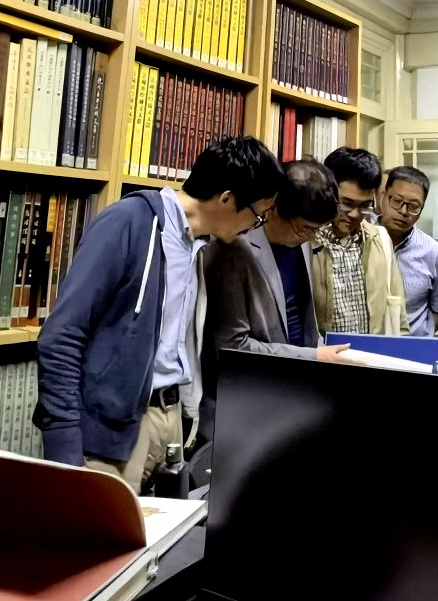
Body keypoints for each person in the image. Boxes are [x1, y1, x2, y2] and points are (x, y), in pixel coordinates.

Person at [36, 135, 282, 494]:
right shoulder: (129, 223)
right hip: (112, 430)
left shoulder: (201, 246)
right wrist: (63, 445)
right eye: (257, 215)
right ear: (227, 198)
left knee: (160, 546)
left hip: (170, 421)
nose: (254, 226)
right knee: (108, 545)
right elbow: (61, 336)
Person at [205, 158, 352, 362]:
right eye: (306, 228)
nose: (312, 237)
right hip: (253, 383)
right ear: (272, 208)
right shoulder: (233, 249)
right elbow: (231, 344)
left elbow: (305, 322)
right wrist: (311, 357)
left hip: (301, 380)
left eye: (318, 228)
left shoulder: (301, 239)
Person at [307, 146, 406, 336]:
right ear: (327, 192)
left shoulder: (380, 240)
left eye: (365, 206)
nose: (355, 214)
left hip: (371, 359)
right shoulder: (306, 242)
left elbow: (398, 315)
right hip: (323, 360)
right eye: (347, 203)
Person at [378, 165, 438, 337]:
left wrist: (420, 336)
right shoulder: (359, 240)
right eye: (397, 201)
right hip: (359, 350)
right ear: (383, 197)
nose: (404, 211)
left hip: (408, 353)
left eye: (414, 206)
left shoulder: (435, 254)